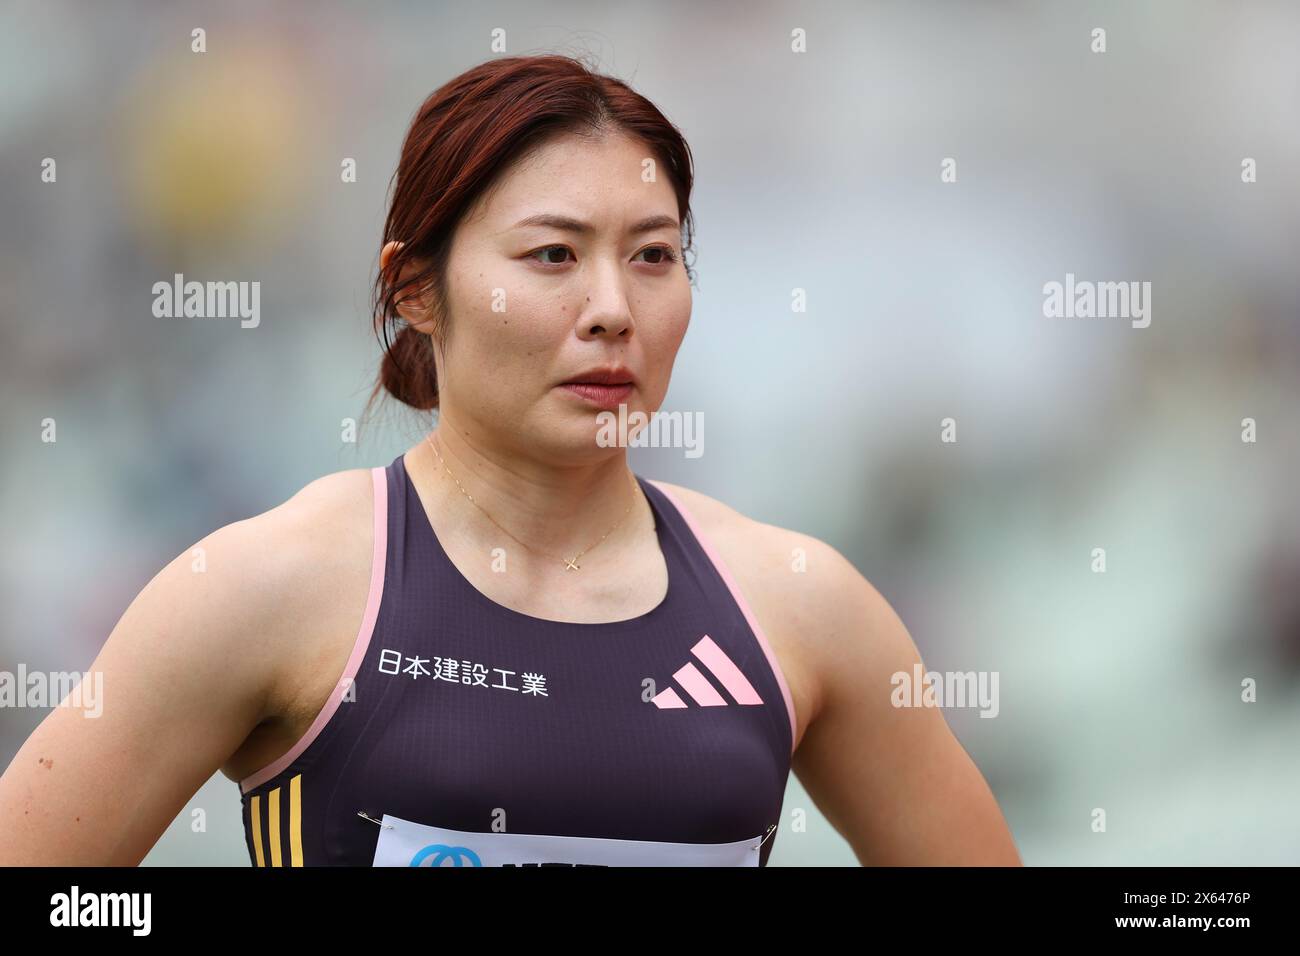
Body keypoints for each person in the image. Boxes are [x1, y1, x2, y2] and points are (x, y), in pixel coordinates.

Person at [0, 53, 1020, 867]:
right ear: (414, 288)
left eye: (653, 255)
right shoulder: (266, 588)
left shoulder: (801, 607)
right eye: (552, 255)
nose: (614, 308)